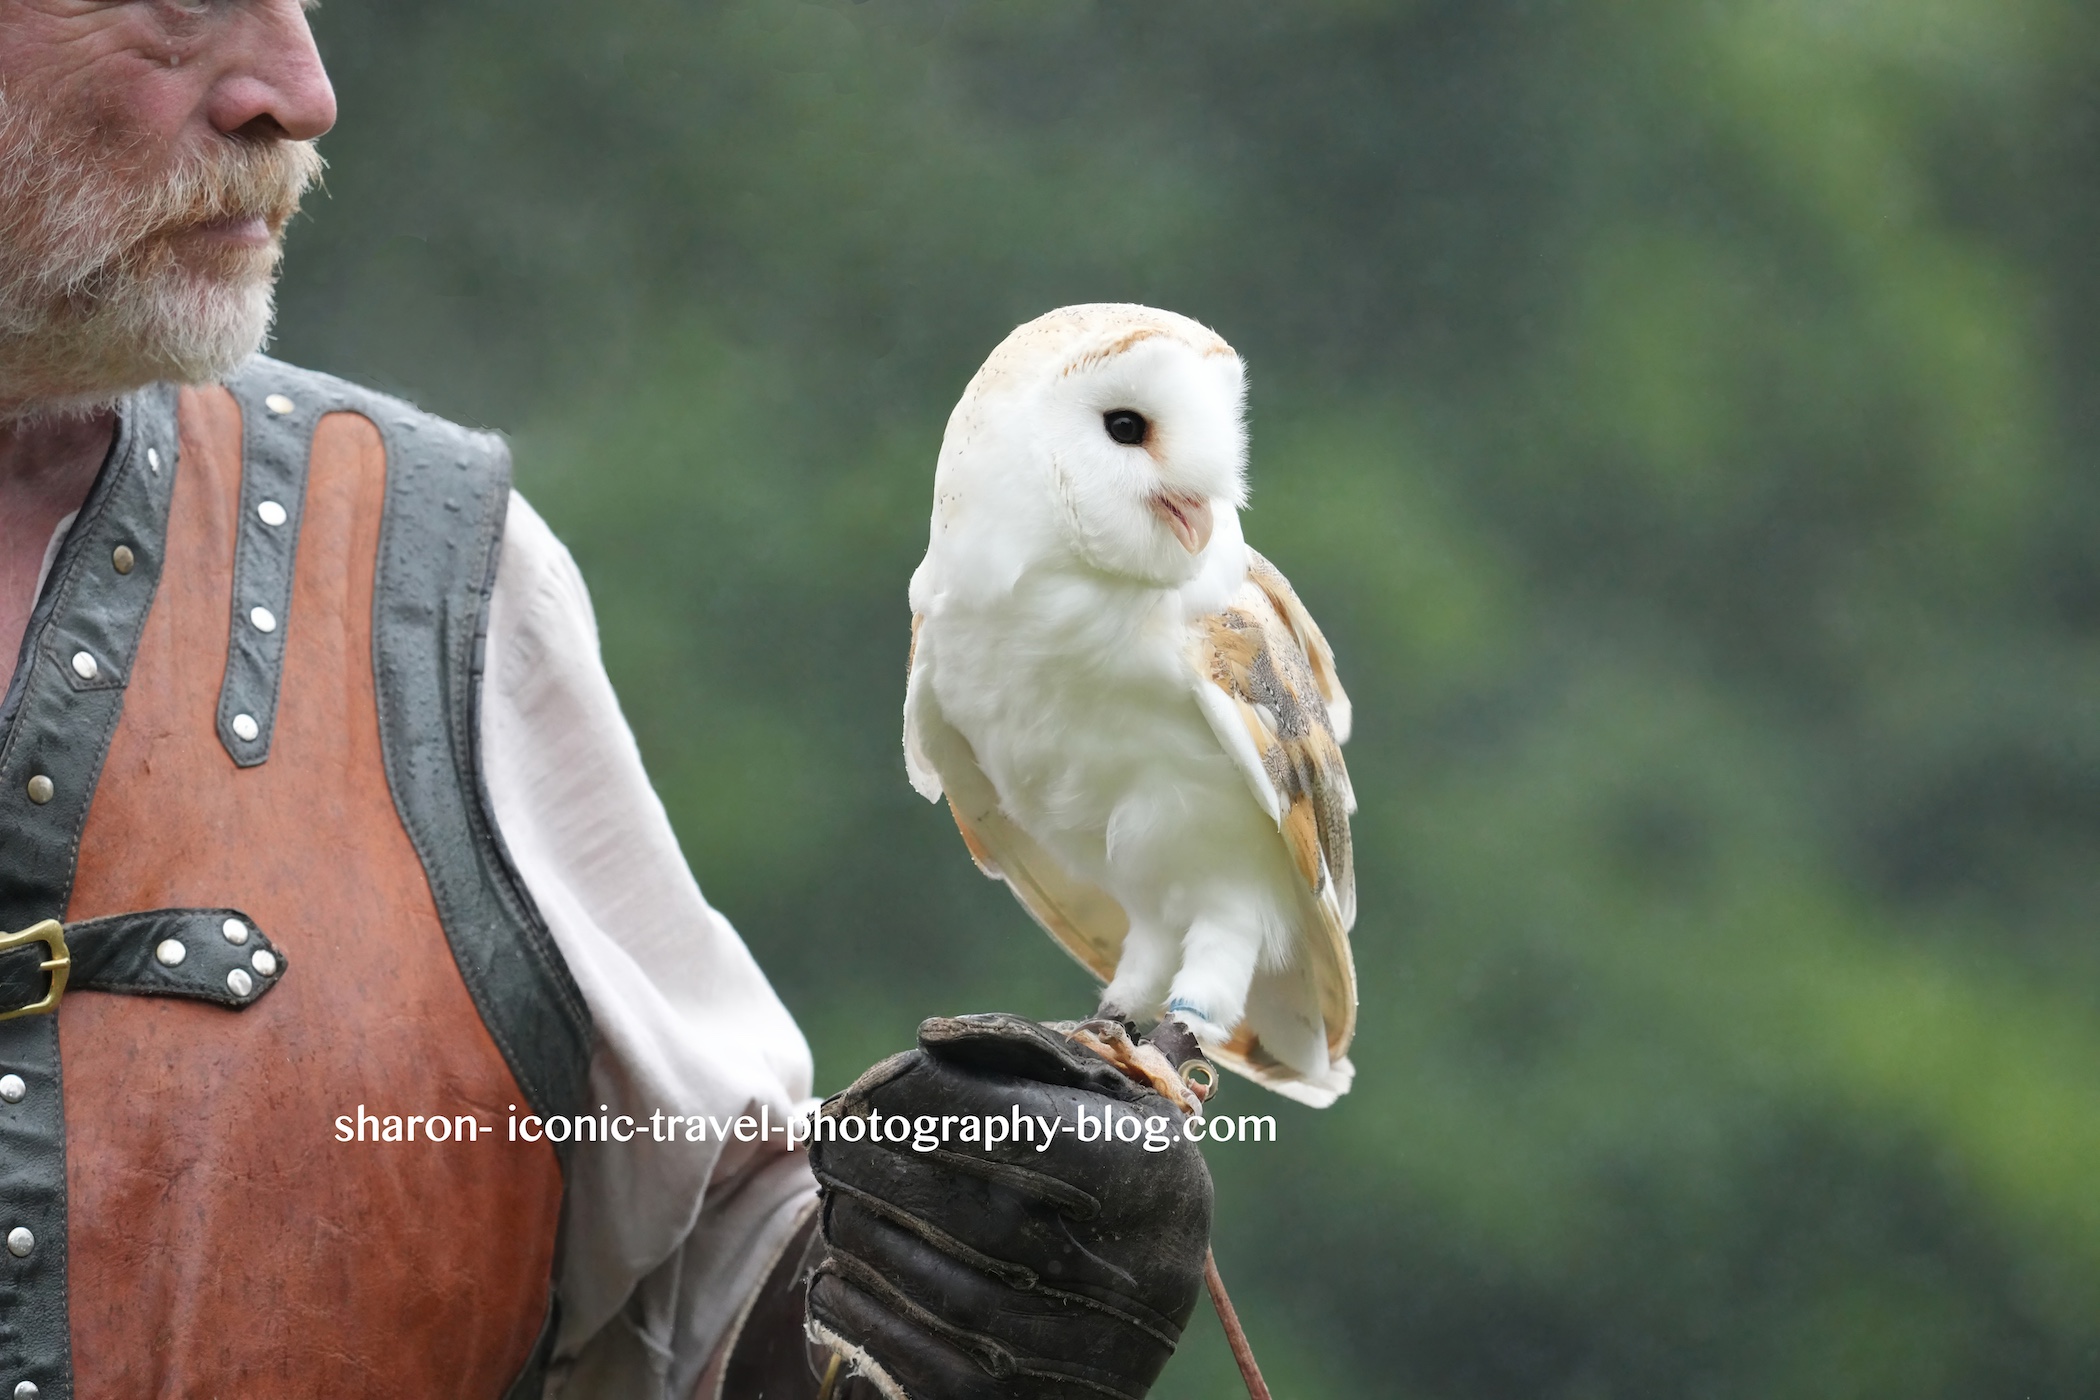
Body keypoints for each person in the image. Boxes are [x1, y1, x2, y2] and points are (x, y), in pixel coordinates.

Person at [0, 3, 1211, 1398]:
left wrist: (917, 1315)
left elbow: (684, 1282)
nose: (298, 93)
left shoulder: (423, 568)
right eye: (180, 9)